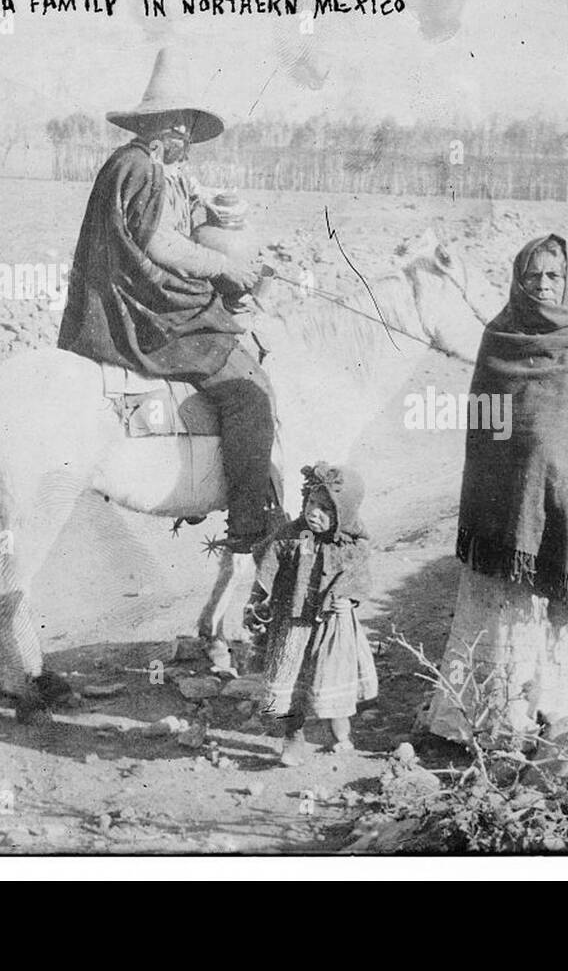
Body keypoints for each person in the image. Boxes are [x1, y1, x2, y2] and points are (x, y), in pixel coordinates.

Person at [57, 48, 281, 672]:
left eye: (185, 121)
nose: (179, 131)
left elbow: (179, 230)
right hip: (142, 313)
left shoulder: (156, 172)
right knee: (245, 388)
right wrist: (226, 265)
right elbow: (157, 245)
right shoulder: (136, 165)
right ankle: (247, 523)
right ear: (146, 125)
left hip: (155, 296)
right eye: (169, 121)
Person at [424, 234, 568, 748]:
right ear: (517, 280)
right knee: (511, 612)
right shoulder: (500, 337)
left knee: (566, 609)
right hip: (511, 518)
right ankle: (491, 720)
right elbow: (485, 433)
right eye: (533, 276)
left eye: (553, 275)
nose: (543, 285)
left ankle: (564, 709)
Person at [249, 462, 377, 766]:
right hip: (294, 622)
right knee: (292, 680)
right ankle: (293, 737)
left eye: (325, 509)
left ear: (342, 514)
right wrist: (260, 597)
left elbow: (359, 577)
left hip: (333, 624)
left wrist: (349, 600)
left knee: (330, 677)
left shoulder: (350, 543)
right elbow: (268, 561)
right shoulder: (294, 534)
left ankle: (340, 732)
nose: (313, 513)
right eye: (311, 503)